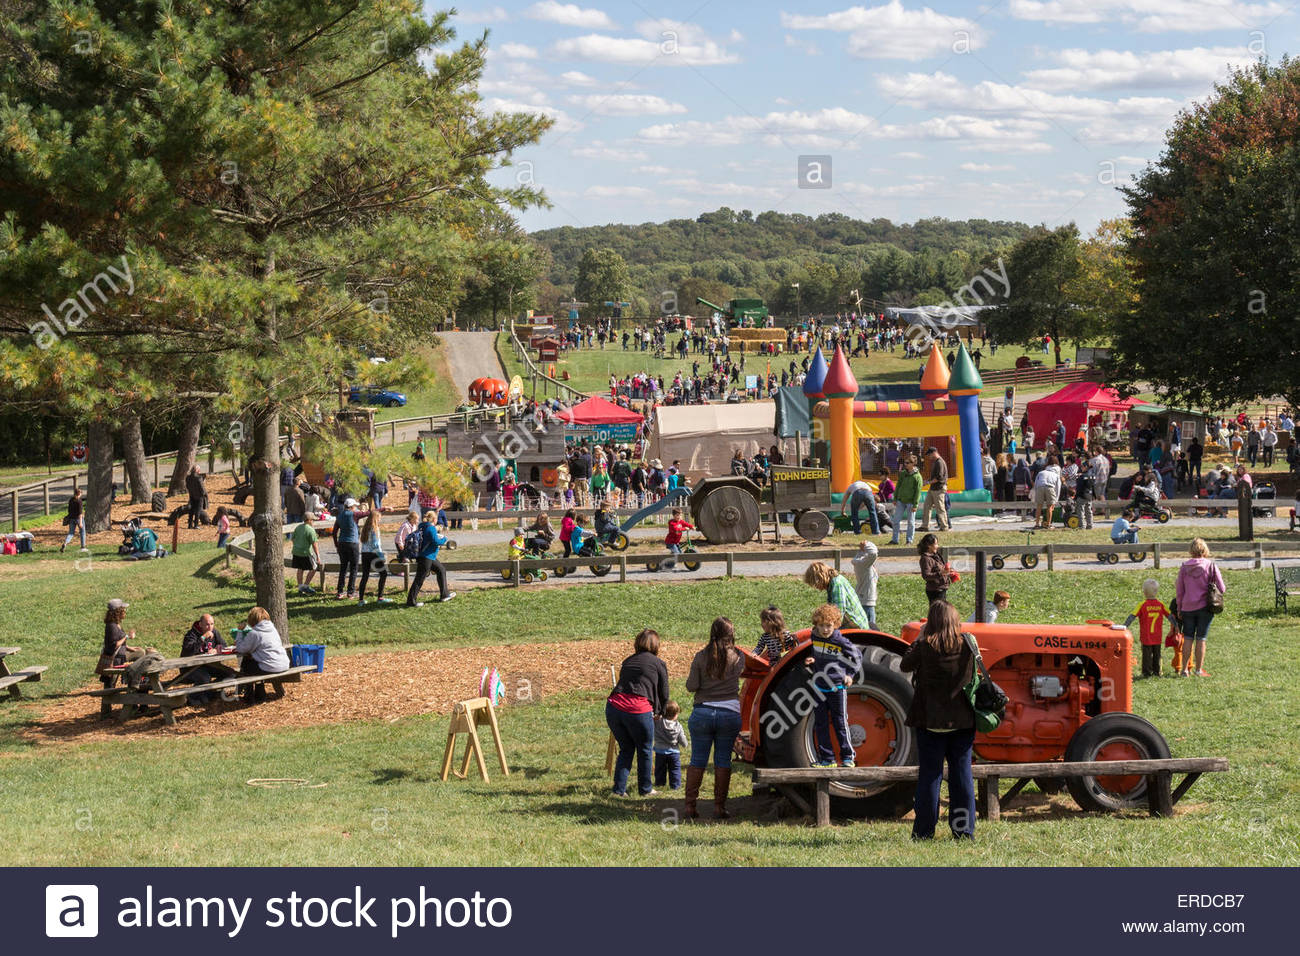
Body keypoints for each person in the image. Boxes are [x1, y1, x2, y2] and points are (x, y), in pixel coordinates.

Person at [900, 600, 976, 841]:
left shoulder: (925, 647)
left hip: (930, 721)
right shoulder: (968, 645)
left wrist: (920, 638)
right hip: (962, 721)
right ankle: (963, 831)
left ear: (931, 622)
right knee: (962, 776)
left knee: (930, 777)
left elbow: (904, 664)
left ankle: (923, 832)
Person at [684, 617, 745, 819]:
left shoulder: (701, 656)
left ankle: (690, 806)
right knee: (723, 761)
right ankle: (720, 807)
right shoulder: (738, 656)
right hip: (729, 713)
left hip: (703, 712)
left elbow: (691, 686)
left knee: (697, 760)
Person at [607, 628, 670, 798]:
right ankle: (646, 789)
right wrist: (661, 712)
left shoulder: (628, 661)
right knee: (645, 749)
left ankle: (618, 790)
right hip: (637, 710)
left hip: (614, 707)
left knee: (626, 748)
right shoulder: (658, 663)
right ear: (656, 645)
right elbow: (664, 692)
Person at [804, 603, 863, 768]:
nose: (824, 630)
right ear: (816, 625)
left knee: (840, 722)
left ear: (835, 625)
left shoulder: (839, 639)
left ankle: (847, 757)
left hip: (836, 687)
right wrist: (812, 660)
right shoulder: (814, 637)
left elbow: (857, 655)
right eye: (821, 625)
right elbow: (820, 655)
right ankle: (827, 759)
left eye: (828, 626)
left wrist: (850, 674)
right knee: (821, 723)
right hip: (819, 686)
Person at [1175, 538, 1225, 677]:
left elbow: (1180, 590)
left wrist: (1179, 607)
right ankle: (1198, 670)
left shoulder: (1184, 567)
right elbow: (1222, 588)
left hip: (1187, 607)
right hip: (1205, 608)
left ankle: (1184, 670)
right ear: (1205, 550)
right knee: (1201, 638)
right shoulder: (1211, 566)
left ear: (1191, 550)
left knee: (1188, 637)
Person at [233, 606, 291, 702]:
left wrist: (239, 632)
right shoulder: (273, 629)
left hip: (270, 666)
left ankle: (249, 695)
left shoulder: (255, 633)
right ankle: (260, 692)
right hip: (283, 664)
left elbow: (241, 649)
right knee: (254, 663)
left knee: (246, 665)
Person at [179, 613, 236, 702]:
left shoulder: (214, 632)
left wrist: (217, 649)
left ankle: (209, 692)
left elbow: (224, 645)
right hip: (190, 668)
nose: (210, 627)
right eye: (207, 624)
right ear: (200, 624)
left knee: (231, 673)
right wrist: (203, 638)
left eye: (212, 624)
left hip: (208, 665)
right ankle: (191, 698)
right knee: (204, 678)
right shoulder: (191, 634)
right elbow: (188, 651)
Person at [1125, 579, 1173, 678]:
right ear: (1156, 591)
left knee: (1146, 655)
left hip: (1146, 636)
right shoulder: (1161, 604)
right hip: (1157, 636)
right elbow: (1170, 616)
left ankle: (1146, 672)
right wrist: (1176, 626)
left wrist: (1124, 626)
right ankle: (1157, 671)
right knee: (1157, 654)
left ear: (1144, 592)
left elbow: (1132, 616)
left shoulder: (1142, 605)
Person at [803, 561, 870, 629]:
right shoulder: (834, 582)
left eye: (815, 584)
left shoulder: (837, 584)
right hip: (848, 622)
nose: (816, 587)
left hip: (855, 625)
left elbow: (838, 612)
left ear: (819, 579)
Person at [406, 510, 453, 606]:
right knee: (419, 579)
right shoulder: (431, 528)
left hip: (427, 556)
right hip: (426, 557)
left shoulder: (422, 526)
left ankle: (444, 594)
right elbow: (436, 542)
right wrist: (444, 539)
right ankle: (411, 601)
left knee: (441, 570)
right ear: (434, 519)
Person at [97, 598, 144, 676]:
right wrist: (127, 636)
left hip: (120, 655)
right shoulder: (112, 626)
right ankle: (133, 679)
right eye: (124, 610)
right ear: (118, 612)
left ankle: (134, 679)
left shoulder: (115, 624)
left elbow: (119, 642)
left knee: (140, 652)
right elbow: (114, 645)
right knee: (110, 684)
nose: (125, 612)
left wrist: (129, 648)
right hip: (115, 659)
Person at [653, 700, 689, 791]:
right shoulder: (678, 726)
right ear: (676, 714)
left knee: (660, 769)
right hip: (674, 753)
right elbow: (682, 740)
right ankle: (675, 786)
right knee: (675, 770)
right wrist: (685, 744)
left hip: (660, 751)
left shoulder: (658, 722)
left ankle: (660, 784)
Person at [358, 509, 391, 605]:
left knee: (365, 576)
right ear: (376, 518)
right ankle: (380, 597)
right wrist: (381, 556)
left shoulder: (365, 528)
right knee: (383, 574)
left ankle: (361, 600)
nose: (380, 520)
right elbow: (376, 545)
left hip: (364, 554)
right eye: (379, 518)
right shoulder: (375, 528)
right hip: (374, 554)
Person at [917, 446, 950, 531]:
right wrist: (927, 481)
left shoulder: (940, 462)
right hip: (933, 488)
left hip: (939, 488)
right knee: (927, 506)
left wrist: (927, 483)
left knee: (940, 508)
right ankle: (925, 526)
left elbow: (939, 478)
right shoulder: (935, 462)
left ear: (934, 453)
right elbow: (933, 477)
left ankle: (944, 526)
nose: (929, 457)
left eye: (929, 455)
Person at [891, 456, 921, 545]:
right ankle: (895, 540)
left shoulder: (917, 477)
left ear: (913, 464)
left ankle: (909, 540)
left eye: (908, 463)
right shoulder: (903, 473)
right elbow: (898, 486)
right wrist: (895, 498)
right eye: (905, 463)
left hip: (911, 503)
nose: (905, 465)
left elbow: (918, 492)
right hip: (901, 501)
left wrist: (915, 505)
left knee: (911, 522)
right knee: (896, 521)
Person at [851, 539, 879, 629]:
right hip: (866, 601)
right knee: (871, 629)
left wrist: (864, 548)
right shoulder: (863, 565)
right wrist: (867, 544)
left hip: (865, 599)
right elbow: (873, 553)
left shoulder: (863, 563)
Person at [290, 518, 321, 595]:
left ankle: (300, 587)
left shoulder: (298, 527)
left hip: (296, 551)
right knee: (314, 567)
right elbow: (314, 544)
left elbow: (293, 539)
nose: (313, 521)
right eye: (313, 520)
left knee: (300, 568)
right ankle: (306, 586)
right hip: (306, 553)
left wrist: (298, 545)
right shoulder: (310, 530)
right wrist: (318, 556)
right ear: (309, 520)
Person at [1031, 454, 1062, 529]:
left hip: (1040, 487)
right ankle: (1048, 524)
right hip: (1050, 487)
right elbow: (1058, 487)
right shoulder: (1056, 474)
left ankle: (1037, 524)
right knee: (1049, 507)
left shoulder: (1041, 472)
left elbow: (1036, 483)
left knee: (1039, 506)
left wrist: (1034, 493)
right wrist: (1056, 499)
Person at [918, 533, 950, 604]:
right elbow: (926, 576)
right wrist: (941, 573)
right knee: (937, 613)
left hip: (941, 588)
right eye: (936, 544)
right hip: (935, 591)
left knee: (941, 612)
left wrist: (949, 572)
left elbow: (940, 568)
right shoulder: (926, 559)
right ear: (929, 546)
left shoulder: (935, 555)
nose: (937, 546)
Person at [61, 487, 86, 552]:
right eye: (81, 493)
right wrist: (80, 522)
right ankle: (83, 547)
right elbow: (80, 513)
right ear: (79, 493)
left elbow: (69, 510)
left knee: (71, 533)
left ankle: (65, 543)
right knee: (82, 532)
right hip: (78, 519)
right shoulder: (79, 501)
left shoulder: (71, 500)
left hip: (71, 518)